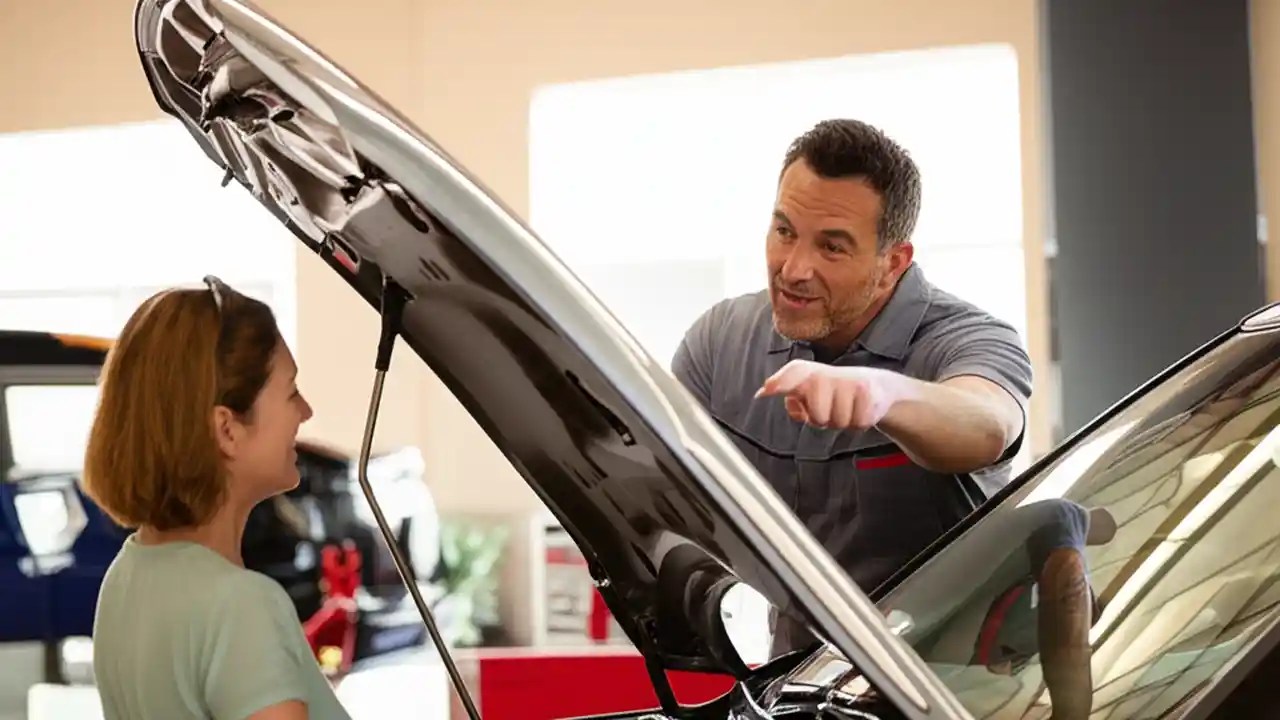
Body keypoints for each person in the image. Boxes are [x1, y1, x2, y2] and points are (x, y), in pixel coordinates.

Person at [671, 118, 1033, 654]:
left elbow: (988, 425)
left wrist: (883, 394)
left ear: (893, 264)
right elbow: (664, 498)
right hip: (802, 686)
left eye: (832, 248)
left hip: (958, 689)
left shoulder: (968, 337)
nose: (793, 269)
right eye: (784, 231)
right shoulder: (719, 343)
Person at [83, 276, 351, 720]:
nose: (305, 412)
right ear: (227, 430)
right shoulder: (242, 604)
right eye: (291, 392)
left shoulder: (125, 578)